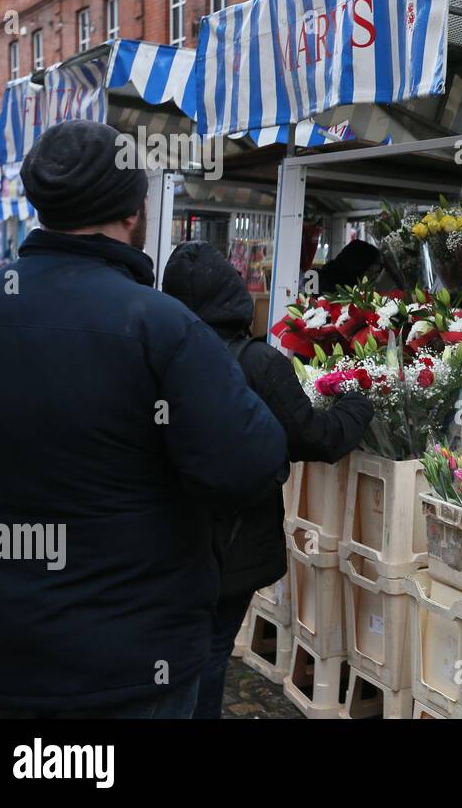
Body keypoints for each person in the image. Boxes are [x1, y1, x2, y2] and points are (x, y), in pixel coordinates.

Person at [0, 120, 289, 719]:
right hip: (134, 665)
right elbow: (251, 462)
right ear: (134, 211)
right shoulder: (162, 325)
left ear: (39, 206)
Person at [162, 240, 374, 718]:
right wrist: (357, 401)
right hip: (232, 544)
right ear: (233, 293)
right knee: (212, 648)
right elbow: (314, 437)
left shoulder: (155, 350)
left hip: (163, 537)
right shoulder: (256, 363)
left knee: (174, 650)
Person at [315, 238, 382, 294]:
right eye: (370, 271)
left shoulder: (327, 276)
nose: (373, 276)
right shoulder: (335, 289)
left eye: (377, 272)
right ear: (357, 268)